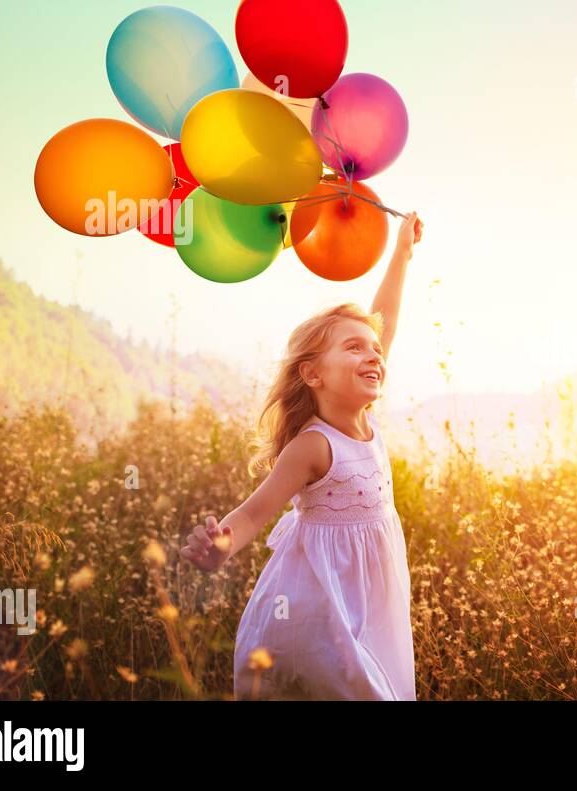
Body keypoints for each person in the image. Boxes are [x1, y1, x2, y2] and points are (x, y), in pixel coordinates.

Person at [179, 212, 424, 700]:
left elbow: (386, 321)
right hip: (316, 606)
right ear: (314, 375)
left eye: (375, 350)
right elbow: (254, 512)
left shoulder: (364, 422)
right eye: (354, 348)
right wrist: (219, 548)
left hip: (368, 600)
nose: (374, 356)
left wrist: (400, 255)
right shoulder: (314, 445)